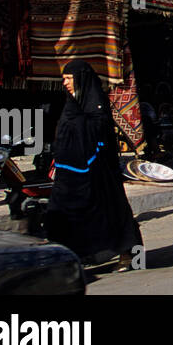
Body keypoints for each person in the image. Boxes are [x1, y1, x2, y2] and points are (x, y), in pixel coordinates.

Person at [45, 60, 144, 271]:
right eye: (64, 79)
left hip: (97, 172)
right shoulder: (71, 103)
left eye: (69, 79)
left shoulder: (95, 103)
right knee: (62, 215)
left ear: (80, 79)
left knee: (112, 212)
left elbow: (98, 131)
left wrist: (75, 122)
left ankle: (134, 257)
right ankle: (66, 260)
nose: (65, 83)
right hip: (69, 173)